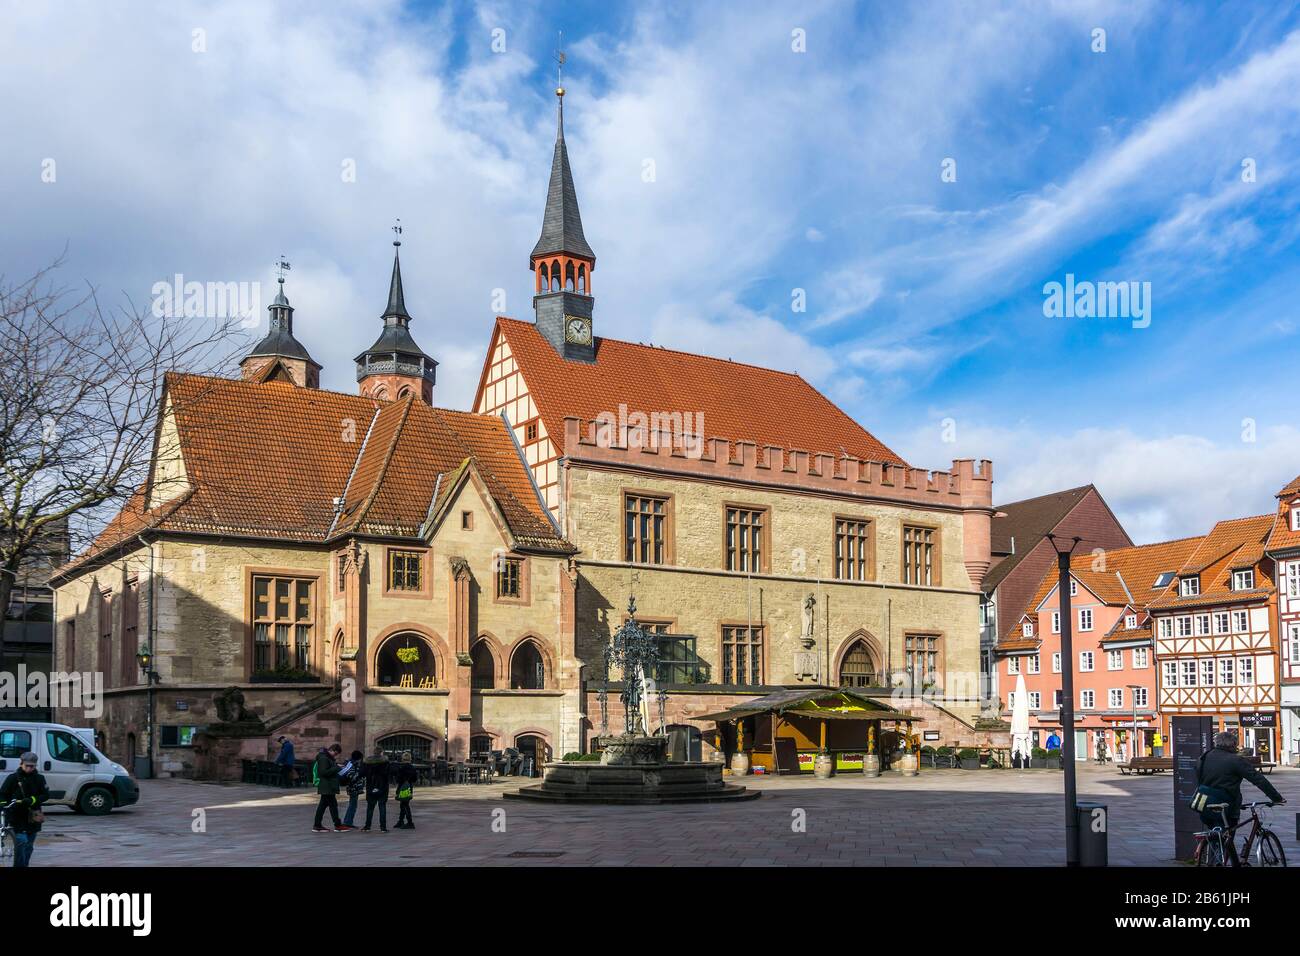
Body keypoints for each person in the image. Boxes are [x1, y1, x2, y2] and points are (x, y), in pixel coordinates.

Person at [1196, 730, 1285, 865]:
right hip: (1227, 806)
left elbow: (1198, 776)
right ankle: (1226, 861)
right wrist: (1276, 797)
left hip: (1204, 805)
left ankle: (1215, 859)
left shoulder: (1204, 757)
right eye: (1235, 745)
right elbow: (1258, 779)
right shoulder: (1235, 760)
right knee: (1228, 834)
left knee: (1216, 834)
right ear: (1232, 744)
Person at [0, 752, 49, 867]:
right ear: (21, 764)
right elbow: (2, 794)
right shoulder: (12, 778)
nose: (29, 768)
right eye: (27, 765)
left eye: (32, 766)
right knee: (21, 842)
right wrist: (3, 804)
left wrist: (32, 800)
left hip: (33, 816)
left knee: (29, 846)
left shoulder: (40, 778)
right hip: (16, 816)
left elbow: (45, 795)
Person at [312, 743, 351, 833]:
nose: (336, 755)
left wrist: (336, 765)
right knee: (332, 806)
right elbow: (323, 772)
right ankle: (337, 825)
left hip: (328, 786)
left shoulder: (327, 757)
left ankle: (317, 825)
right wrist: (336, 768)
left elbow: (328, 767)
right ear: (331, 750)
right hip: (327, 786)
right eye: (336, 753)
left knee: (324, 806)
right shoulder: (323, 758)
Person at [361, 745, 390, 832]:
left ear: (374, 752)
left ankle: (367, 826)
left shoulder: (367, 762)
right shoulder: (385, 762)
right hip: (383, 787)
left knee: (370, 807)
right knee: (382, 807)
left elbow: (362, 773)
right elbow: (389, 774)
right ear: (381, 753)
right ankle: (383, 827)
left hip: (371, 787)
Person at [341, 750, 365, 828]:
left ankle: (348, 821)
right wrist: (359, 774)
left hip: (353, 787)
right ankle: (348, 822)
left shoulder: (351, 764)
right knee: (352, 805)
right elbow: (351, 776)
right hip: (353, 787)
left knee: (353, 805)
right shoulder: (352, 764)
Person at [394, 751, 417, 829]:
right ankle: (401, 821)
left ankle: (410, 822)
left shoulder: (401, 768)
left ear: (402, 759)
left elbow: (398, 779)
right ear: (410, 759)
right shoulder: (412, 767)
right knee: (403, 804)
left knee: (404, 805)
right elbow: (415, 779)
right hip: (409, 787)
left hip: (402, 787)